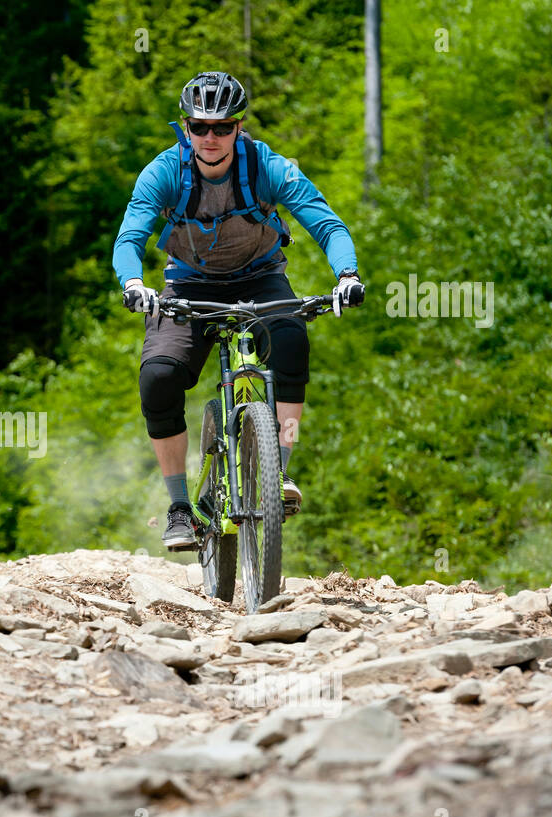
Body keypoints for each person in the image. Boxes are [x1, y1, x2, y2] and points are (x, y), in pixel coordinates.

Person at [113, 70, 364, 549]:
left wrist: (347, 275)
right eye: (200, 127)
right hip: (187, 286)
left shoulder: (268, 166)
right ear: (185, 127)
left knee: (291, 343)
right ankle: (179, 508)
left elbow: (326, 223)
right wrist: (133, 283)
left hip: (259, 278)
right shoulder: (165, 172)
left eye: (223, 127)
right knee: (159, 377)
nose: (211, 137)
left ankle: (280, 471)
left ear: (238, 127)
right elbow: (129, 237)